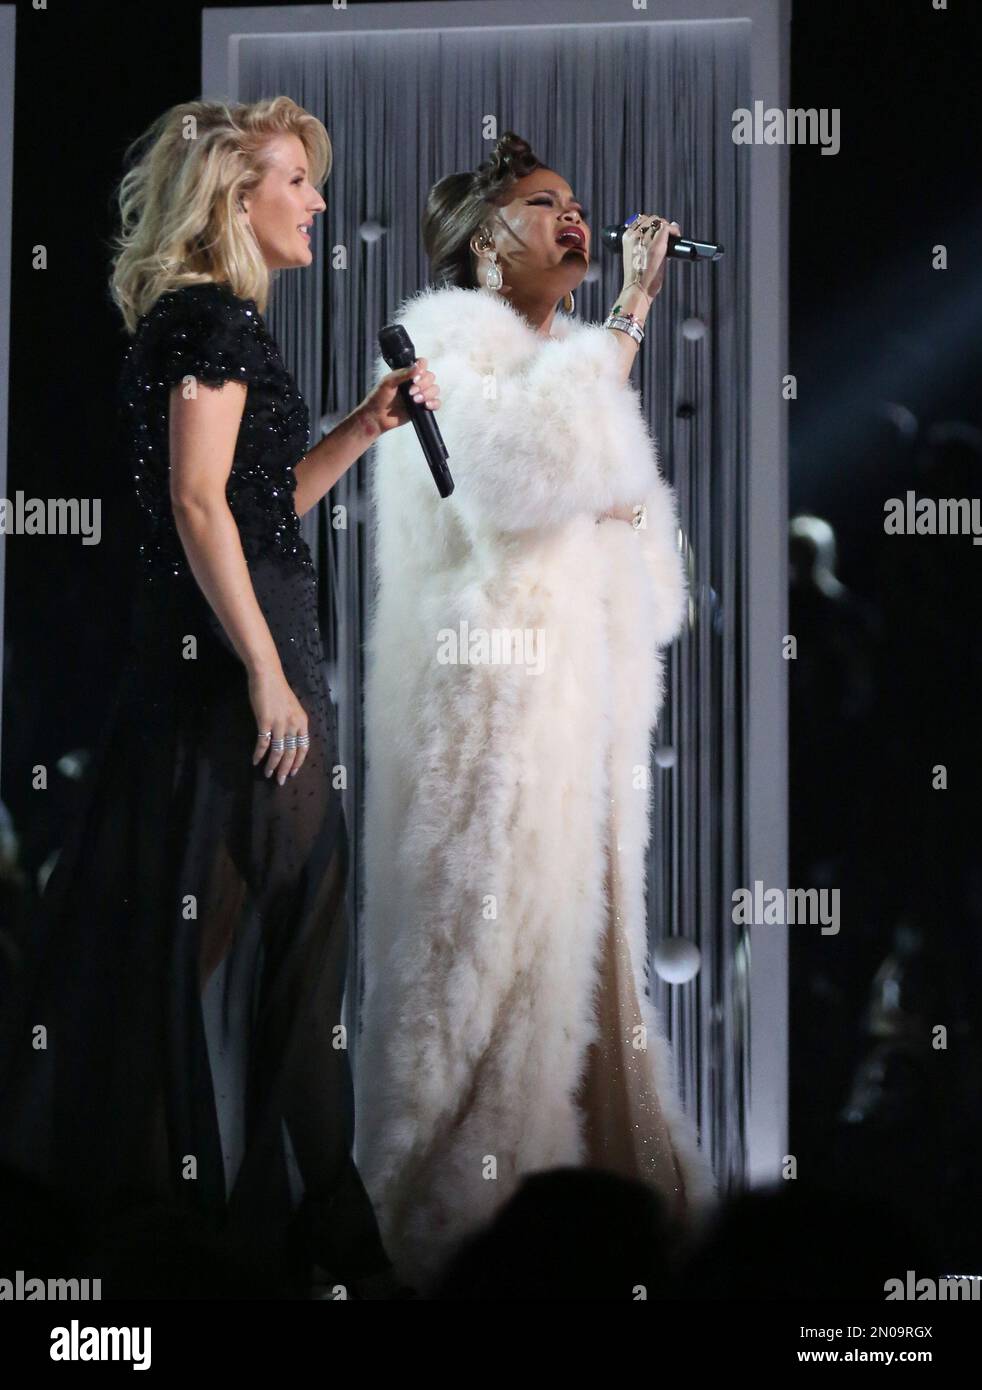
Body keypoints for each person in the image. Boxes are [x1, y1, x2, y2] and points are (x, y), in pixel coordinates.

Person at [0, 97, 439, 1296]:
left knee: (261, 953)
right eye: (296, 180)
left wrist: (361, 427)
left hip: (251, 662)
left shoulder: (219, 325)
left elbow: (248, 509)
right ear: (237, 198)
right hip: (233, 678)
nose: (316, 201)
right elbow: (197, 510)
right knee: (249, 955)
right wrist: (261, 671)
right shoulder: (208, 321)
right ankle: (264, 1237)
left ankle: (265, 1231)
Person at [355, 132, 717, 1290]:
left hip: (576, 722)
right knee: (481, 979)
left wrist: (612, 499)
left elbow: (649, 575)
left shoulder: (562, 360)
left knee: (580, 982)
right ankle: (448, 1242)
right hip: (491, 726)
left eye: (576, 201)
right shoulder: (447, 350)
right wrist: (626, 319)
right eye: (541, 204)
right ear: (478, 241)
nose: (575, 218)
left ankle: (596, 1235)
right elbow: (519, 482)